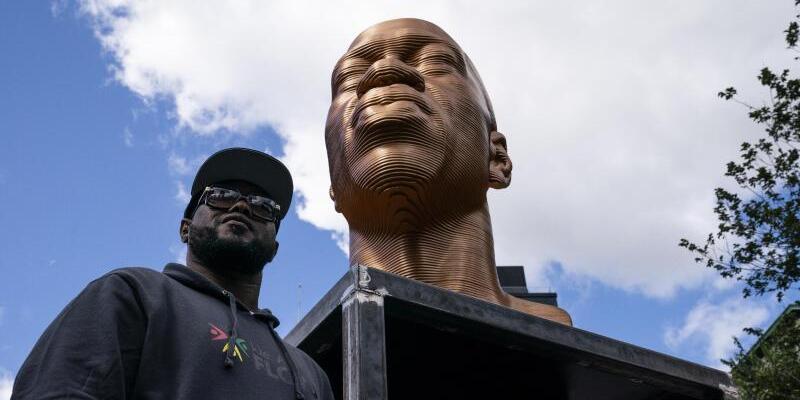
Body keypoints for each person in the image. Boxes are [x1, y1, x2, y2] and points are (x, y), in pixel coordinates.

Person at [12, 148, 334, 400]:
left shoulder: (310, 373)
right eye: (221, 196)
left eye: (263, 206)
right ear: (185, 229)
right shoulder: (132, 294)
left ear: (274, 249)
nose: (242, 207)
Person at [325, 18, 572, 325]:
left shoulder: (551, 335)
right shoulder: (301, 369)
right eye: (349, 77)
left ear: (497, 157)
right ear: (333, 182)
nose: (383, 70)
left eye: (435, 60)